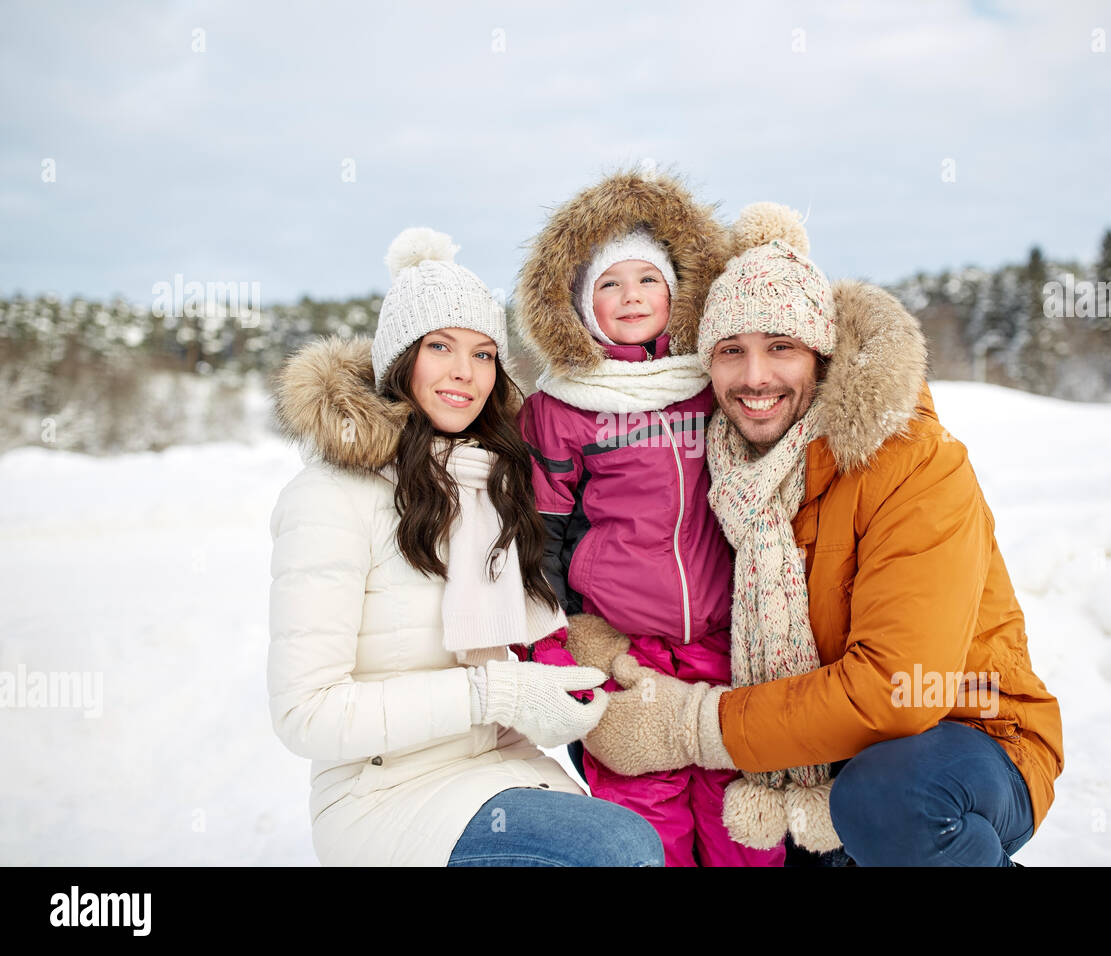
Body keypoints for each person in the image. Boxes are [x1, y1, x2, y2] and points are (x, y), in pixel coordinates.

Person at [567, 204, 1065, 866]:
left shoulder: (910, 460)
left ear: (821, 356)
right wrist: (601, 664)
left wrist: (689, 726)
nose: (755, 378)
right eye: (730, 352)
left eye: (781, 348)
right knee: (609, 729)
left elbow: (895, 689)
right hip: (809, 760)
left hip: (959, 739)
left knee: (888, 798)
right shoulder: (719, 467)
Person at [267, 226, 664, 867]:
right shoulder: (331, 496)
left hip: (501, 763)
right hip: (387, 790)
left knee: (634, 842)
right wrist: (494, 694)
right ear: (399, 360)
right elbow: (305, 714)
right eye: (440, 347)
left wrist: (553, 699)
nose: (464, 372)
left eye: (483, 354)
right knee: (619, 849)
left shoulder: (491, 482)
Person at [511, 171, 784, 866]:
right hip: (628, 653)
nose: (630, 296)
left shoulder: (711, 384)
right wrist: (557, 656)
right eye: (609, 283)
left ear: (678, 292)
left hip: (730, 650)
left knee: (742, 828)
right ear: (578, 304)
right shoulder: (563, 406)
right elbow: (535, 542)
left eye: (647, 280)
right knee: (643, 830)